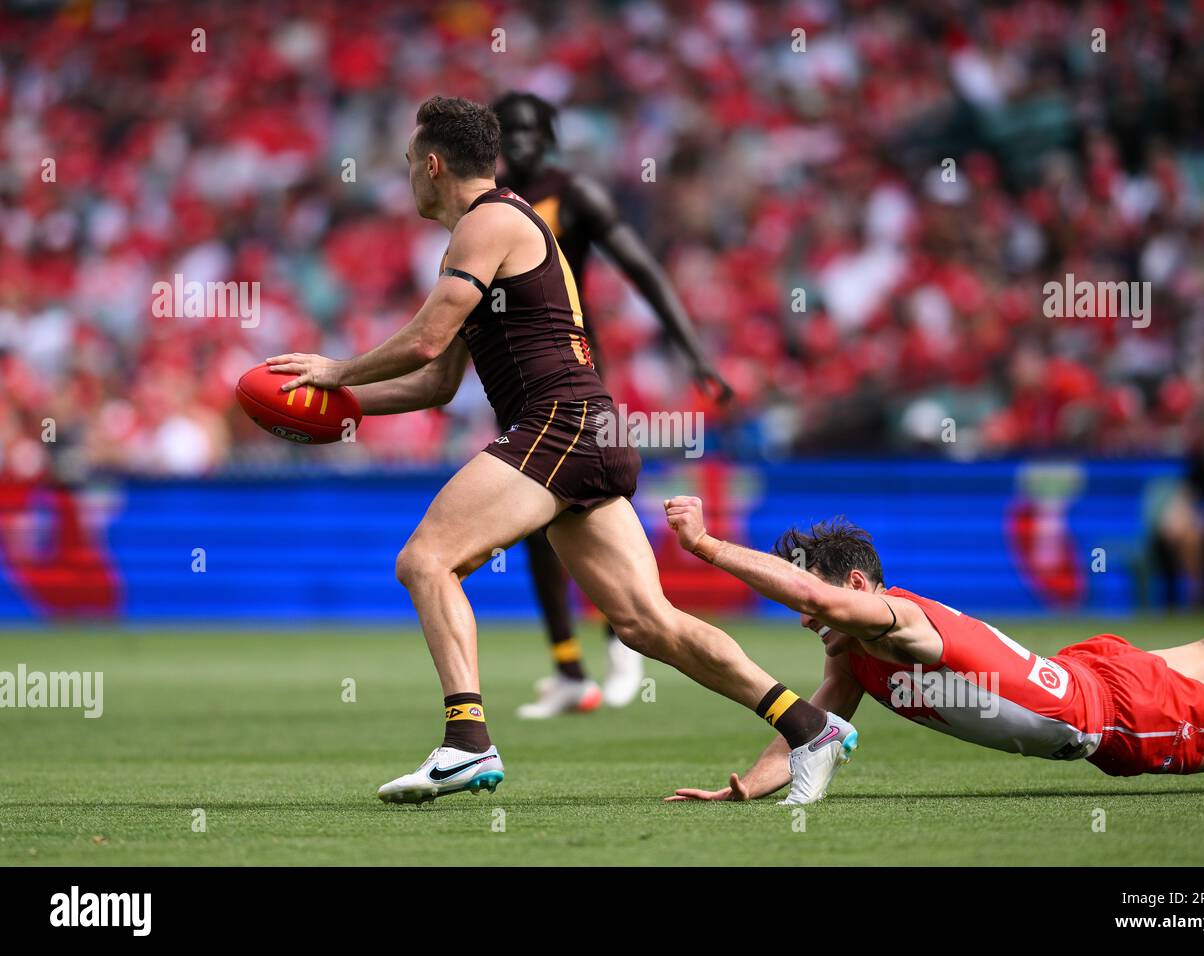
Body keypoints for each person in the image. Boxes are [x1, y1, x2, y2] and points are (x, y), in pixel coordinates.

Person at [265, 95, 854, 805]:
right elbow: (439, 379)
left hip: (559, 422)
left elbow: (421, 340)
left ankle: (466, 743)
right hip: (586, 429)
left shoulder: (488, 223)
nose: (409, 181)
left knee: (425, 560)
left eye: (409, 167)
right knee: (646, 623)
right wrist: (333, 407)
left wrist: (334, 370)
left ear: (432, 164)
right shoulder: (498, 225)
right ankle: (809, 724)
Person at [659, 470, 1204, 801]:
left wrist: (706, 544)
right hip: (1090, 672)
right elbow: (807, 731)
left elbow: (806, 594)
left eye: (821, 601)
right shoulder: (856, 659)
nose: (805, 620)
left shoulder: (897, 621)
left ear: (857, 587)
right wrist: (745, 785)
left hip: (1119, 717)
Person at [493, 91, 734, 718]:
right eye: (506, 131)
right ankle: (569, 669)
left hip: (575, 371)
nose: (517, 141)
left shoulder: (574, 195)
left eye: (528, 130)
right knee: (535, 523)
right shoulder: (486, 203)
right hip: (515, 380)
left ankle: (624, 635)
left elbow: (644, 270)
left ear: (546, 135)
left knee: (600, 498)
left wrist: (694, 353)